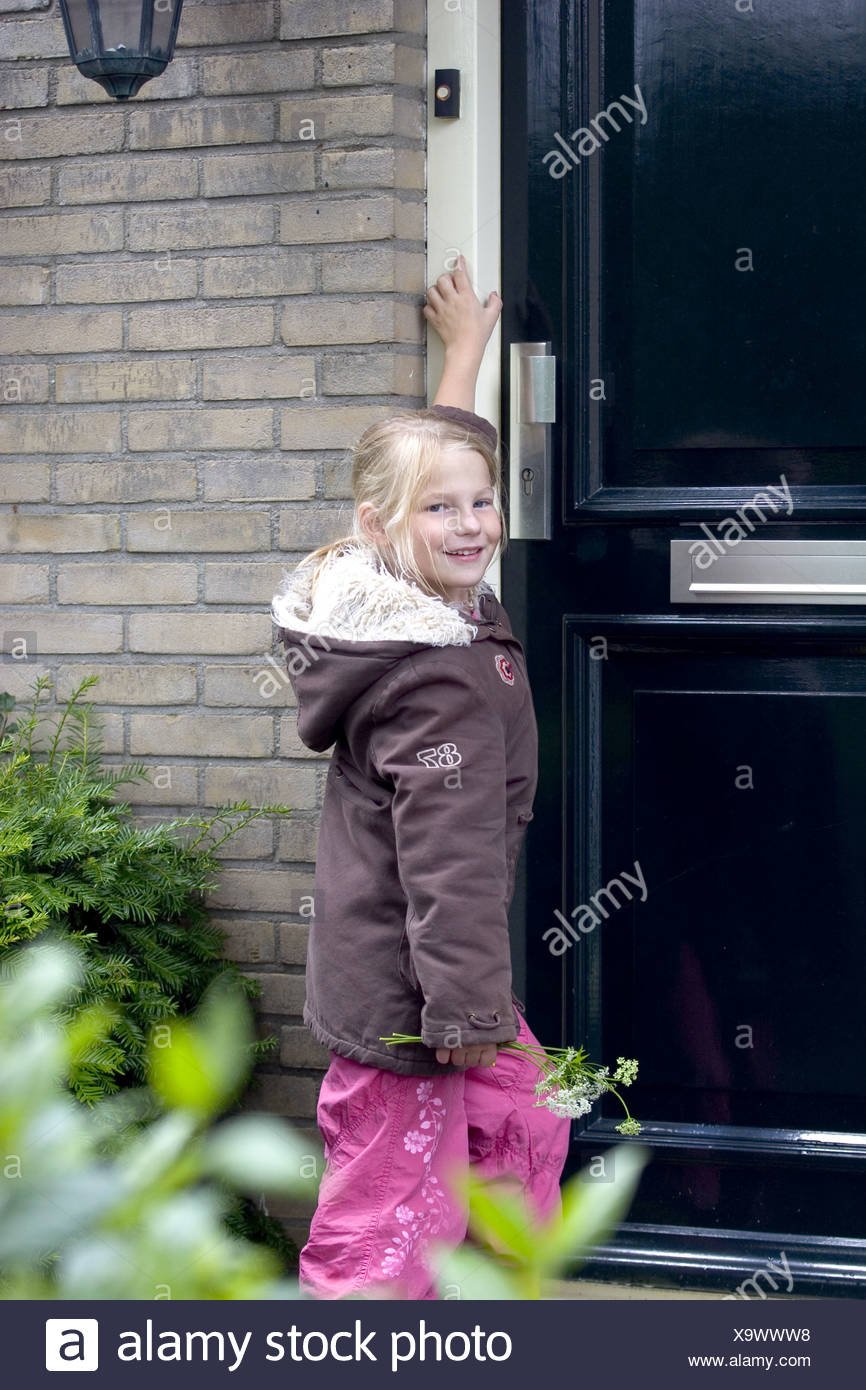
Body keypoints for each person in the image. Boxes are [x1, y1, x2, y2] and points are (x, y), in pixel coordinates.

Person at [270, 254, 571, 1300]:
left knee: (529, 1110)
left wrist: (463, 357)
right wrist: (458, 1017)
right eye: (446, 513)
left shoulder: (384, 599)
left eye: (483, 502)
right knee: (383, 1211)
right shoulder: (434, 679)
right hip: (418, 999)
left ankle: (461, 1298)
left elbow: (430, 475)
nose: (474, 524)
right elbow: (448, 867)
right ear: (382, 533)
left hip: (411, 981)